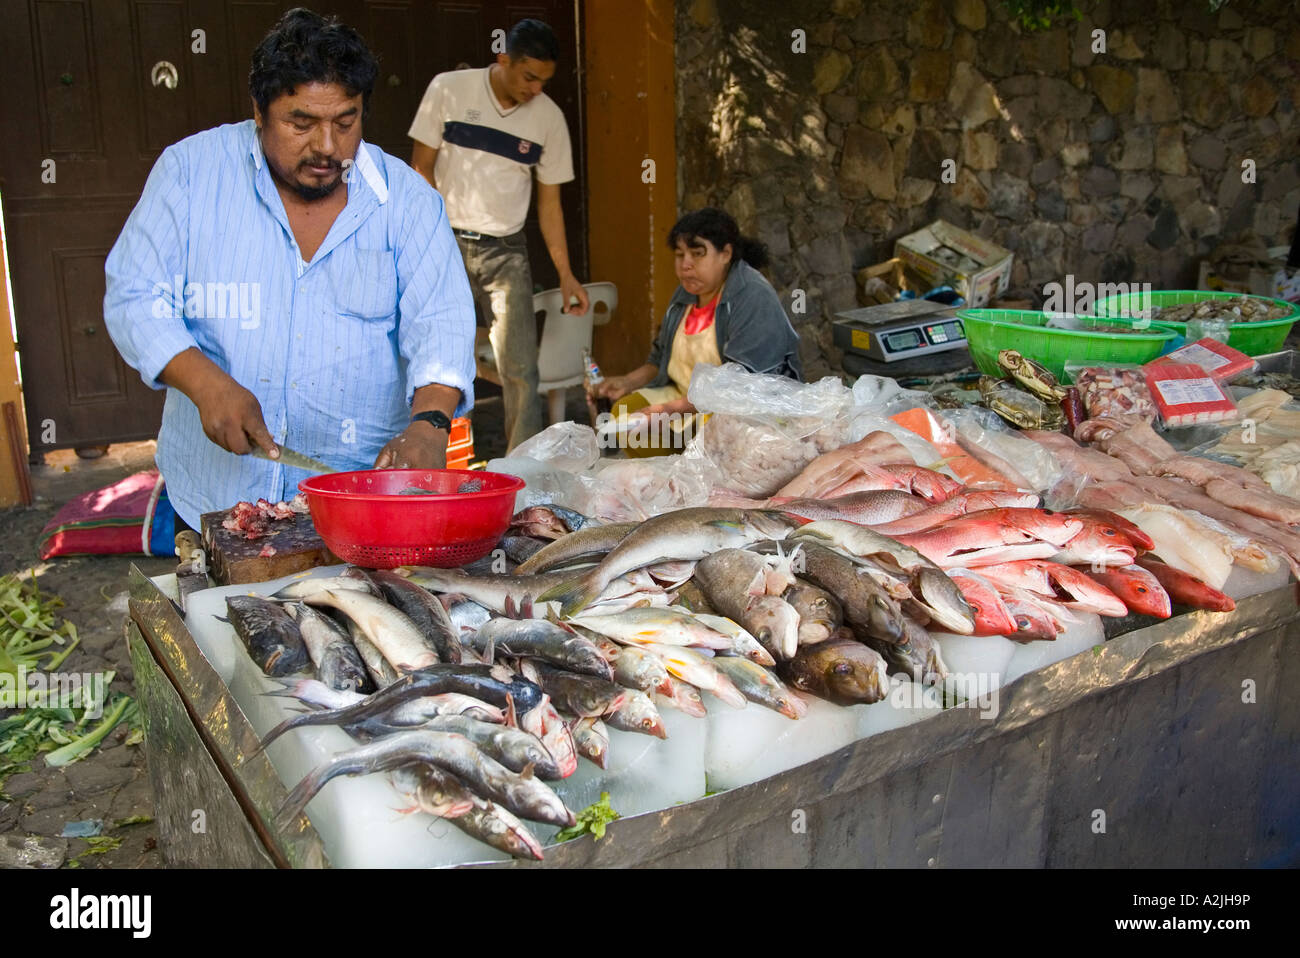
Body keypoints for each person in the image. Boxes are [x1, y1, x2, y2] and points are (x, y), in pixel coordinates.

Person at [104, 8, 476, 532]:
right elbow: (134, 295)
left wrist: (430, 423)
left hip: (357, 502)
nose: (327, 147)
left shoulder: (408, 202)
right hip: (216, 498)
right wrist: (205, 384)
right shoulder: (191, 173)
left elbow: (442, 322)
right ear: (259, 111)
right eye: (300, 123)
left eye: (345, 122)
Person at [407, 18, 587, 452]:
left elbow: (549, 206)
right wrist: (428, 241)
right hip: (444, 242)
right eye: (529, 76)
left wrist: (565, 274)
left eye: (545, 81)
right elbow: (420, 170)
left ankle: (522, 469)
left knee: (521, 368)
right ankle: (432, 456)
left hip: (506, 252)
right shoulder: (448, 89)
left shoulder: (549, 119)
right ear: (502, 58)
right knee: (433, 357)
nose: (536, 89)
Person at [592, 208, 801, 455]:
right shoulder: (686, 293)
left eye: (697, 254)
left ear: (726, 254)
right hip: (686, 399)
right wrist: (626, 382)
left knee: (712, 425)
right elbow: (660, 357)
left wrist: (669, 410)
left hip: (741, 407)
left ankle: (705, 484)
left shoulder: (752, 296)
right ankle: (668, 482)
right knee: (626, 413)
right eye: (680, 255)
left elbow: (738, 385)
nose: (686, 266)